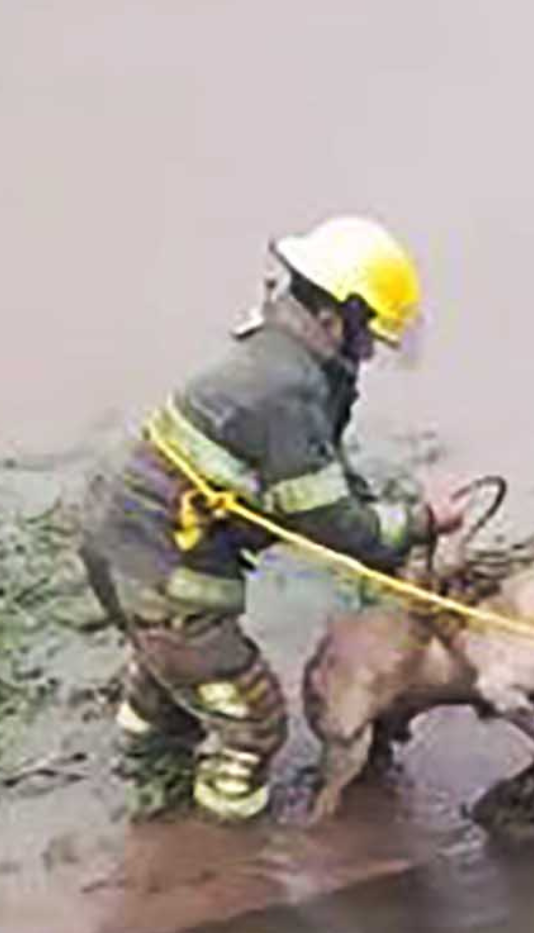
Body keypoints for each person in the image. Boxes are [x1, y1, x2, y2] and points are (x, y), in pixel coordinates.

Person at [77, 215, 472, 822]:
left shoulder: (275, 353)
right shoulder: (288, 390)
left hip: (117, 542)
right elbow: (330, 523)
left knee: (169, 670)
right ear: (335, 318)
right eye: (369, 336)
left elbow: (322, 471)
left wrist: (387, 530)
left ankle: (141, 773)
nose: (368, 353)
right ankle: (221, 854)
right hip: (164, 567)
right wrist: (419, 523)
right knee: (254, 722)